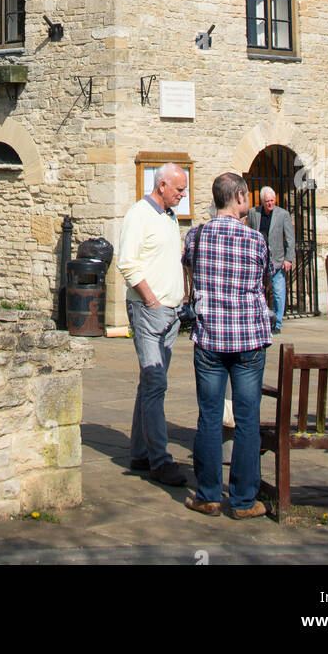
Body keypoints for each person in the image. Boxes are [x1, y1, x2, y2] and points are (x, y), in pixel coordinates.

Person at [183, 171, 272, 519]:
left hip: (210, 336)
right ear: (237, 197)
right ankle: (244, 500)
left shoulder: (197, 235)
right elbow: (265, 277)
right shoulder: (256, 240)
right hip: (249, 337)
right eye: (246, 196)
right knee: (248, 419)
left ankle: (208, 495)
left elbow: (189, 266)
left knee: (209, 415)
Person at [118, 162, 189, 486]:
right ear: (161, 185)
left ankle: (139, 453)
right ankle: (160, 461)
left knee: (150, 383)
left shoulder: (170, 218)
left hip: (171, 313)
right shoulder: (139, 214)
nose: (182, 195)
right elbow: (128, 263)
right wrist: (151, 300)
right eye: (178, 189)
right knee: (155, 382)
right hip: (149, 312)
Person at [246, 186, 295, 333]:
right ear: (262, 201)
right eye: (267, 201)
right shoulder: (253, 213)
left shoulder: (283, 214)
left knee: (279, 293)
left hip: (277, 260)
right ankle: (260, 321)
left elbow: (290, 238)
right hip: (259, 260)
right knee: (257, 292)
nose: (270, 204)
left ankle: (277, 323)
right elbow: (248, 235)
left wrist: (288, 259)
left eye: (272, 201)